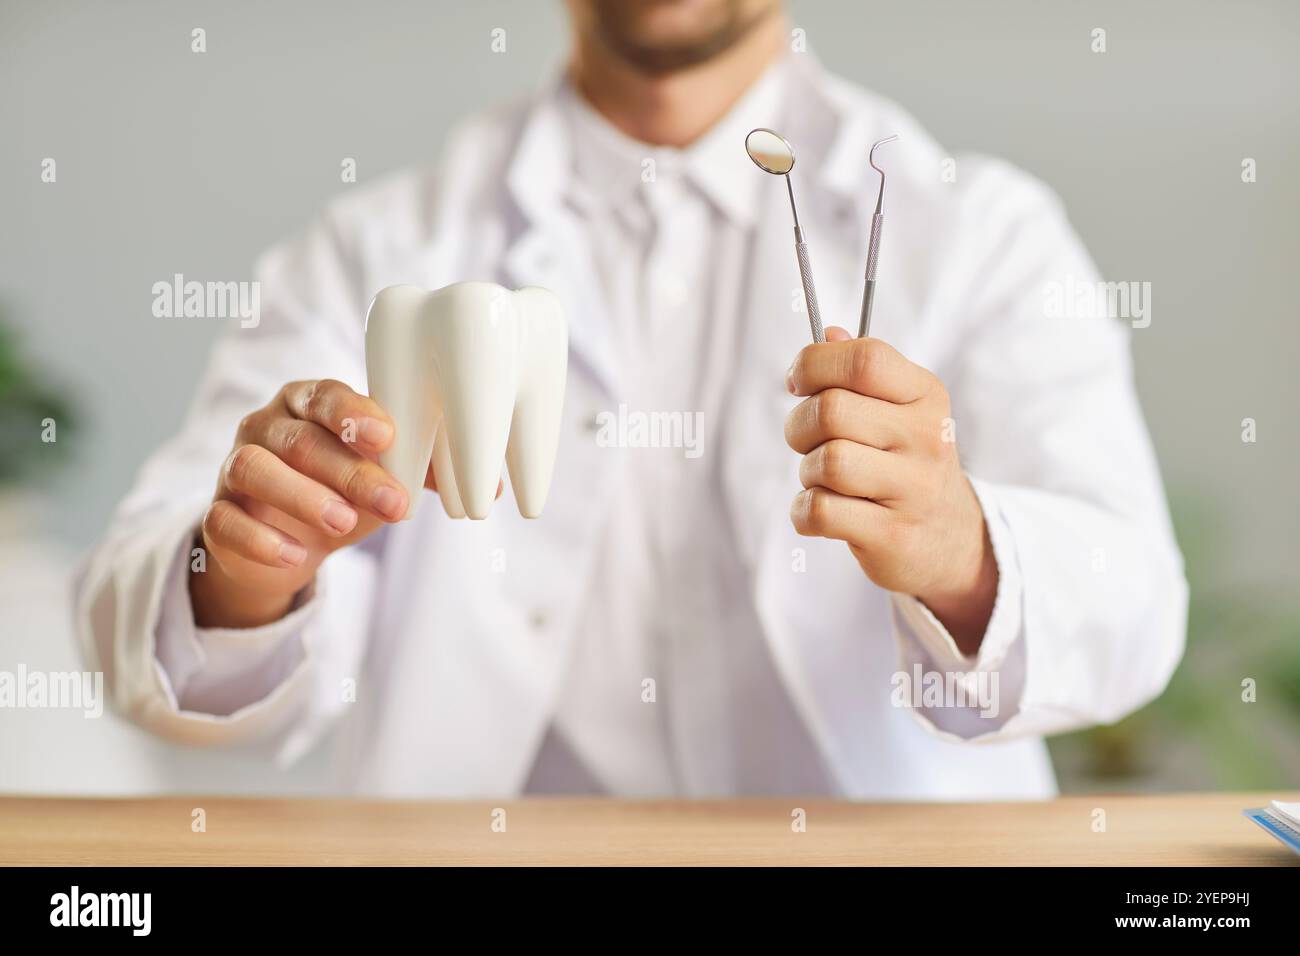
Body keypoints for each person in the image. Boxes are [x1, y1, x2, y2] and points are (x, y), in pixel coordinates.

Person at [75, 0, 1186, 798]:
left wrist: (961, 551)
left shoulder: (981, 232)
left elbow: (1136, 608)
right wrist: (245, 573)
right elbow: (132, 623)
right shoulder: (373, 253)